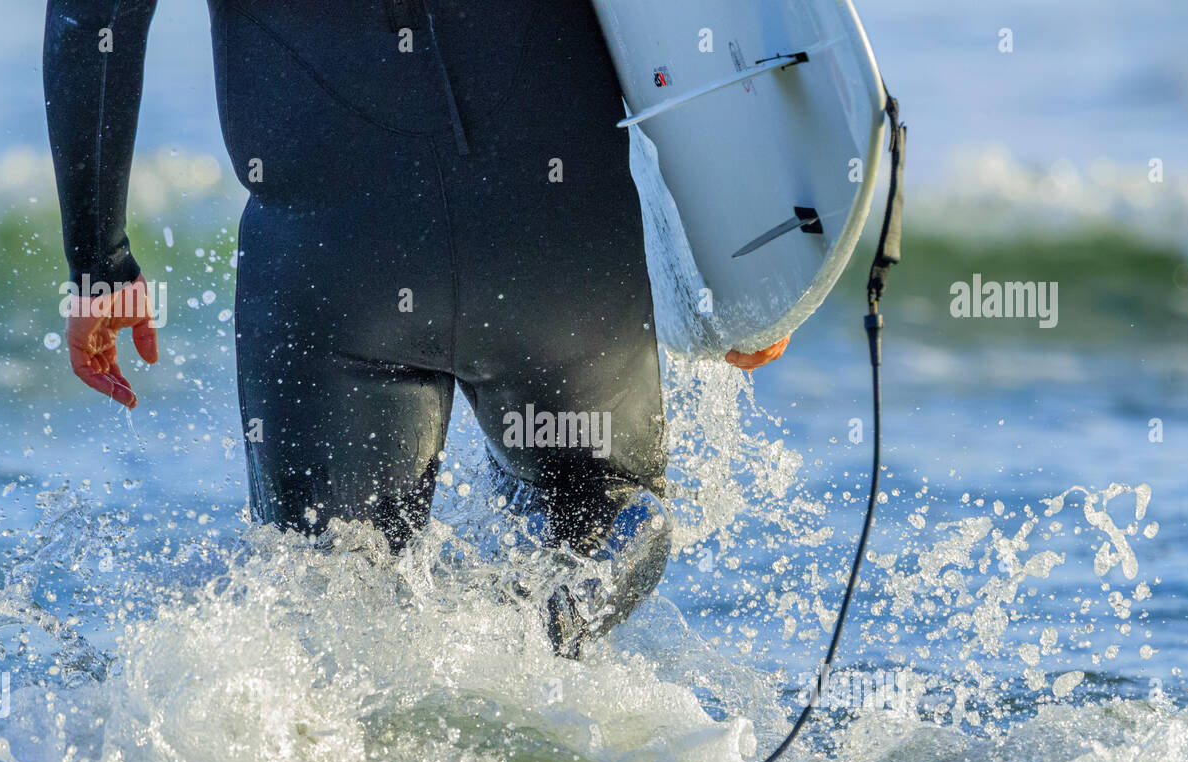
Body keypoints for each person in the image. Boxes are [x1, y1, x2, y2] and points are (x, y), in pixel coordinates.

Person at [44, 0, 787, 657]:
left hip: (336, 263)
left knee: (326, 610)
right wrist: (755, 247)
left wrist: (100, 261)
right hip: (558, 245)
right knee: (612, 510)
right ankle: (519, 666)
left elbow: (95, 14)